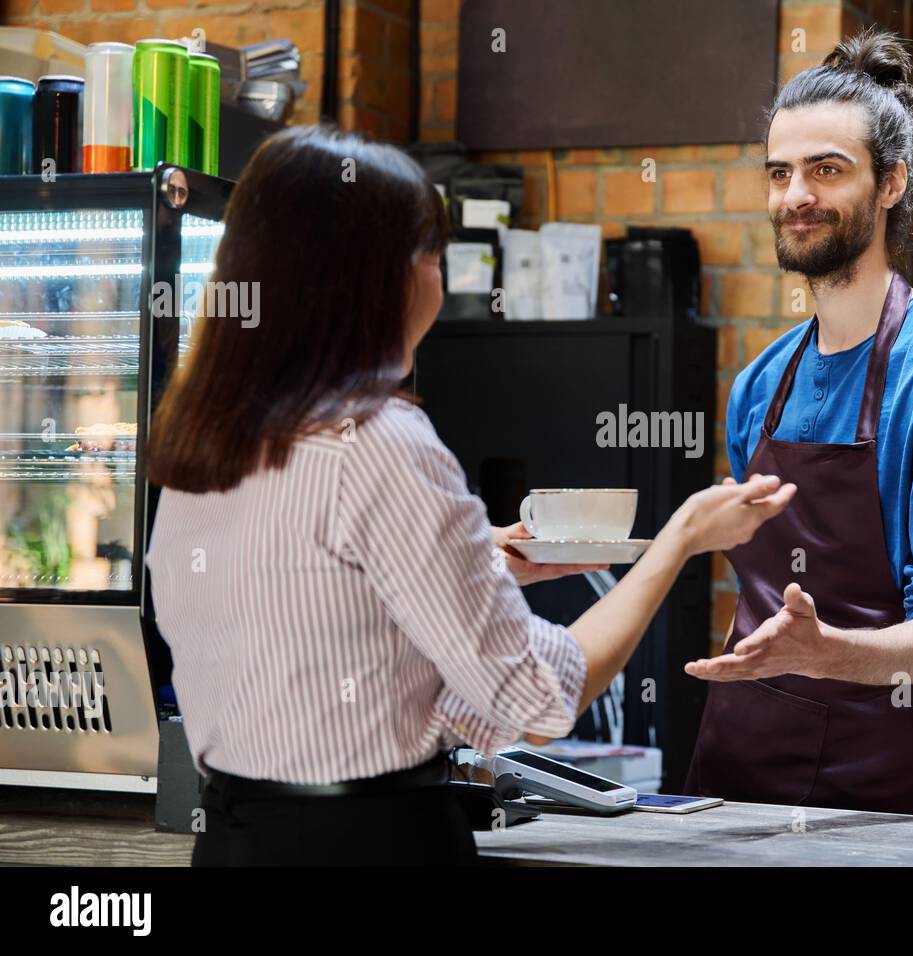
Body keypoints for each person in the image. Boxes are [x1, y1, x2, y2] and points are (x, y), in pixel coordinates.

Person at [144, 124, 795, 866]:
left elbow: (312, 621)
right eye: (430, 257)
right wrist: (678, 541)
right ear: (374, 279)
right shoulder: (383, 440)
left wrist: (476, 566)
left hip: (232, 839)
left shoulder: (202, 440)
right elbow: (539, 700)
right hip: (366, 846)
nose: (440, 281)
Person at [681, 27, 913, 816]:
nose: (797, 194)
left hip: (878, 794)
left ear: (891, 183)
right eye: (780, 172)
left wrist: (825, 653)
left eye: (827, 170)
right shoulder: (760, 383)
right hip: (736, 770)